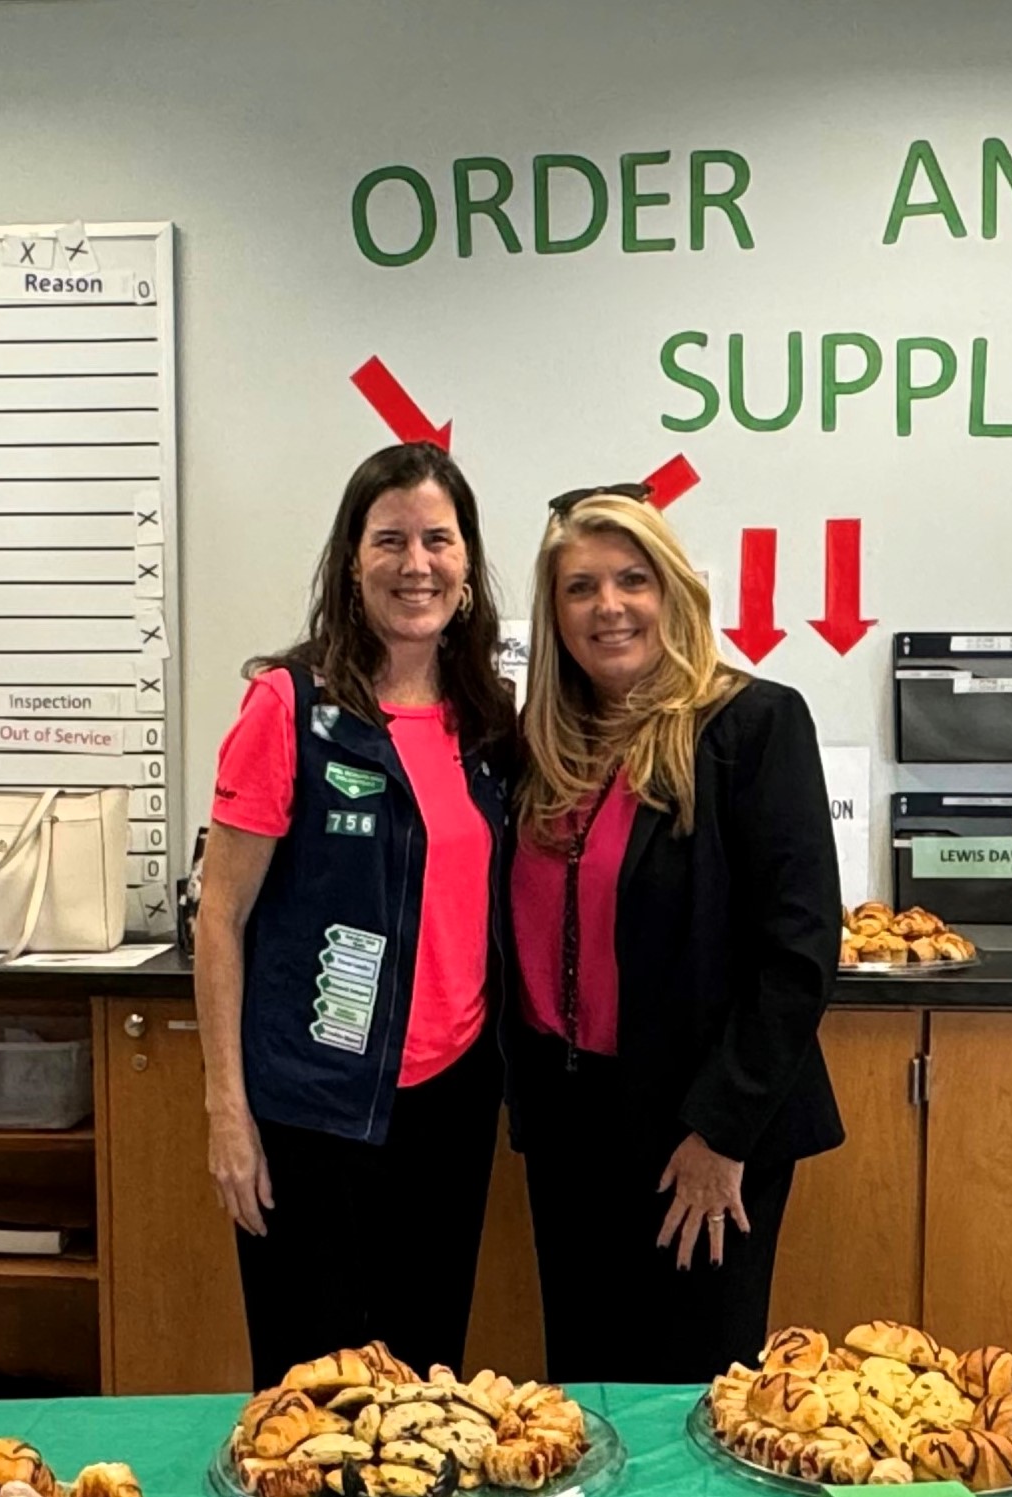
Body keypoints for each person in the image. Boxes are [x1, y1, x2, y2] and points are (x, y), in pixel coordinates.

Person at [196, 443, 517, 1387]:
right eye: (390, 541)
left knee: (427, 1391)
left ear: (465, 565)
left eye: (437, 540)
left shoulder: (488, 720)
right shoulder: (287, 705)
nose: (415, 564)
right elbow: (218, 918)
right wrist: (227, 1111)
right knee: (313, 1396)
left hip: (450, 1106)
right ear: (351, 561)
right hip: (313, 1107)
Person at [505, 487, 843, 1385]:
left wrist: (719, 1132)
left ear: (675, 595)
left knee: (692, 1393)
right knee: (581, 1390)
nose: (607, 607)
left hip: (700, 1128)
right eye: (579, 588)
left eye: (631, 580)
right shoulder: (540, 747)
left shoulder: (751, 724)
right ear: (554, 614)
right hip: (570, 1123)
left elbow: (799, 951)